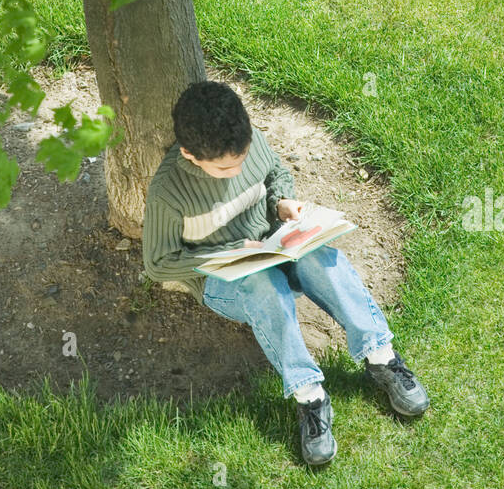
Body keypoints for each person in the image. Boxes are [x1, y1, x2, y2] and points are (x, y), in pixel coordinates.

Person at [142, 80, 429, 465]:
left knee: (319, 255)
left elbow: (275, 172)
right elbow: (158, 263)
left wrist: (282, 202)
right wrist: (226, 252)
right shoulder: (167, 193)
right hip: (225, 279)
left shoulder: (247, 140)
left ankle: (380, 356)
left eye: (243, 158)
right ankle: (309, 395)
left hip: (273, 244)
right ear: (192, 156)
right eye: (228, 167)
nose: (240, 168)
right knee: (264, 285)